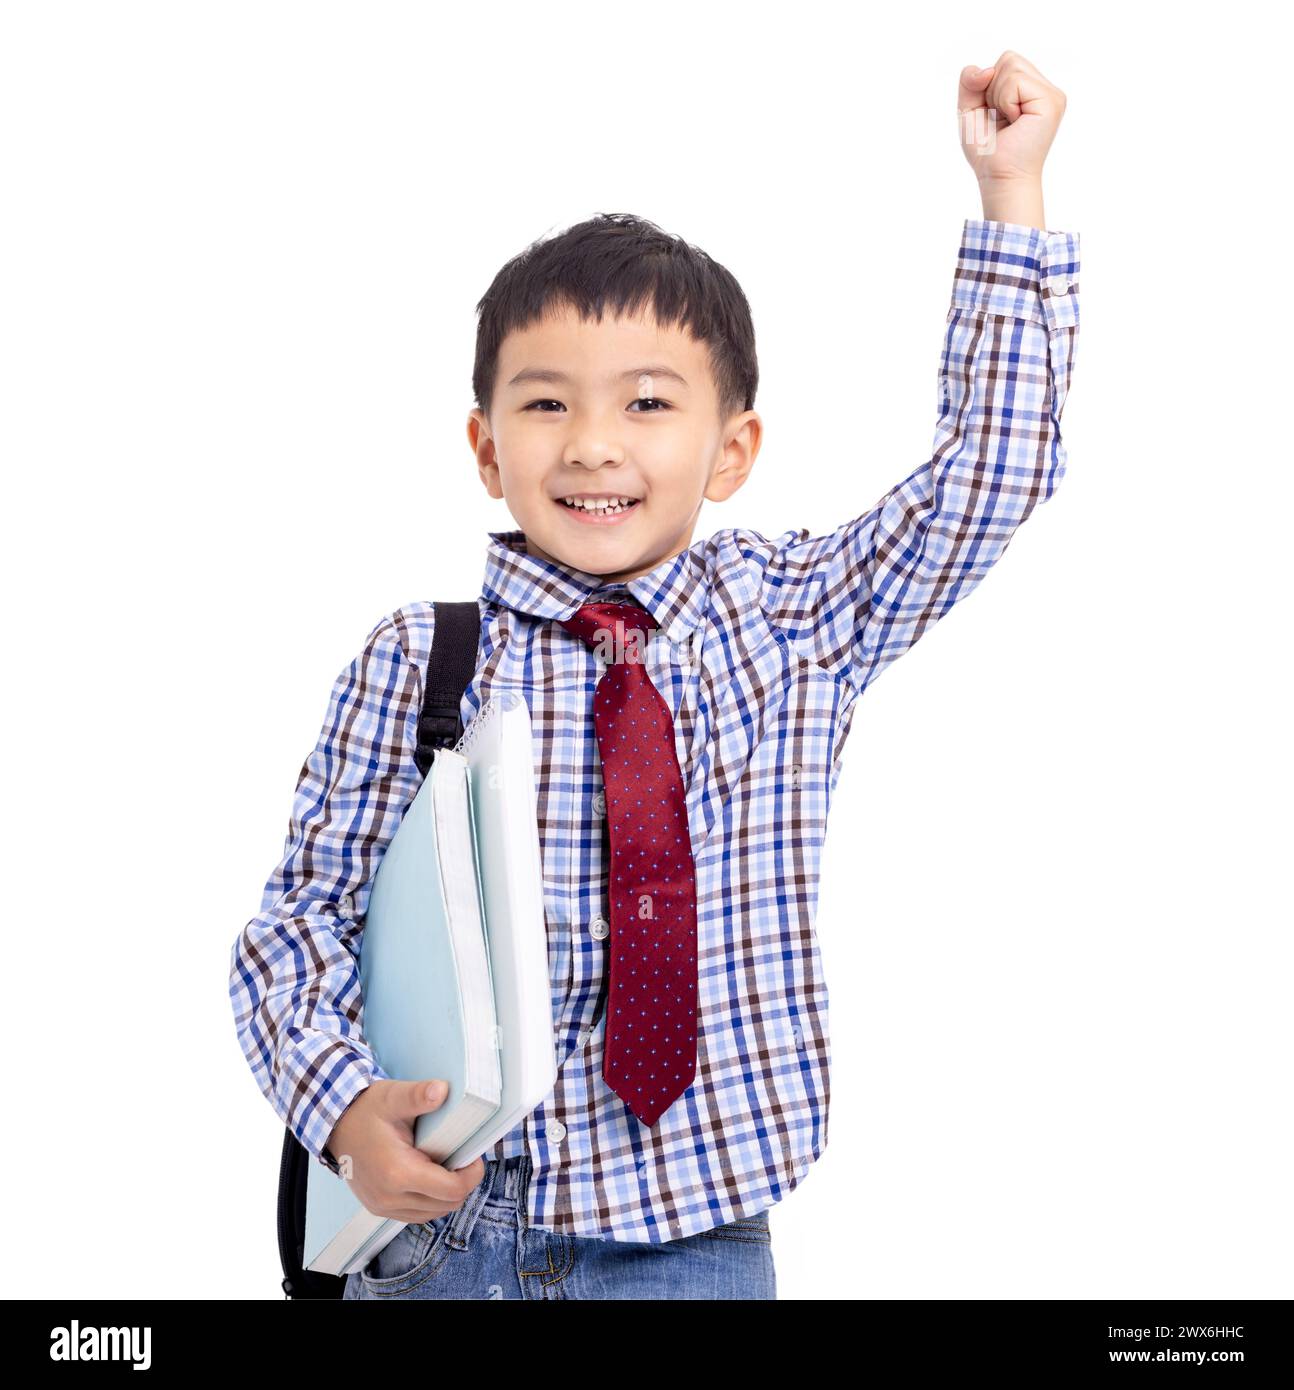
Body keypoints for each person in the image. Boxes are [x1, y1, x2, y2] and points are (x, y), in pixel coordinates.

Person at [229, 51, 1080, 1300]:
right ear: (484, 446)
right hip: (443, 1233)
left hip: (697, 1239)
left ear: (731, 449)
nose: (590, 445)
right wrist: (345, 1108)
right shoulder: (421, 657)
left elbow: (991, 475)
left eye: (645, 404)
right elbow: (293, 928)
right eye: (543, 406)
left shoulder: (793, 619)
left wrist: (1012, 195)